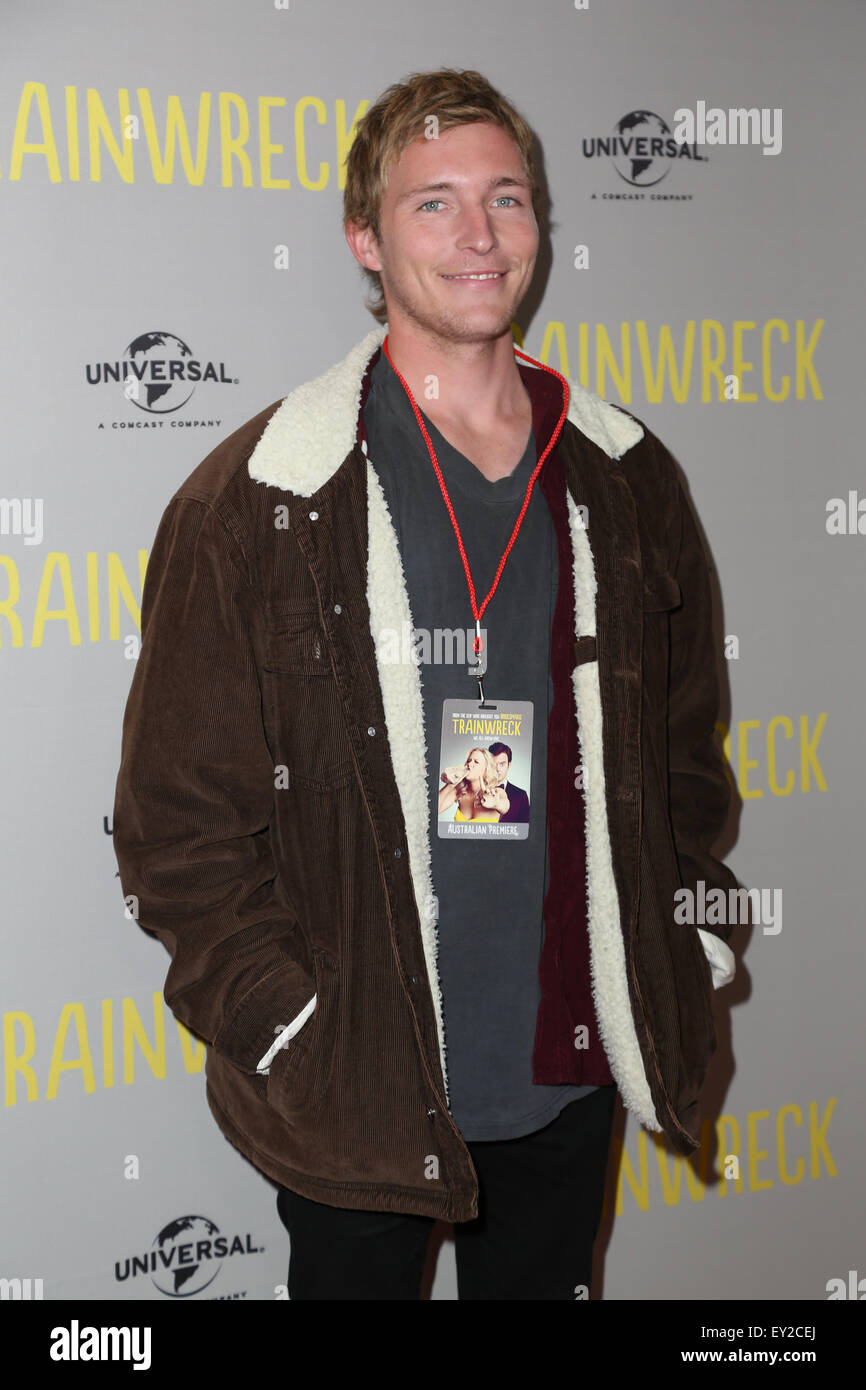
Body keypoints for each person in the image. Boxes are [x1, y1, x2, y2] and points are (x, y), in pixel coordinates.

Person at [113, 66, 738, 1301]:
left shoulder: (621, 477)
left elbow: (680, 758)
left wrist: (687, 937)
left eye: (506, 200)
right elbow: (176, 822)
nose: (478, 236)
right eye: (432, 203)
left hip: (569, 1057)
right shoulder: (259, 498)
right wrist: (288, 1020)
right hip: (358, 1085)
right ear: (363, 236)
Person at [438, 747, 509, 821]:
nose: (469, 764)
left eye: (476, 762)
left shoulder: (495, 793)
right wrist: (450, 784)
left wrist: (497, 804)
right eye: (469, 761)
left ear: (486, 769)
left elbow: (505, 807)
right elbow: (435, 809)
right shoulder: (460, 792)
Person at [488, 740, 529, 824]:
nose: (498, 769)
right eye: (494, 764)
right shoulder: (477, 792)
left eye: (502, 764)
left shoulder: (521, 796)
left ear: (509, 765)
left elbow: (525, 829)